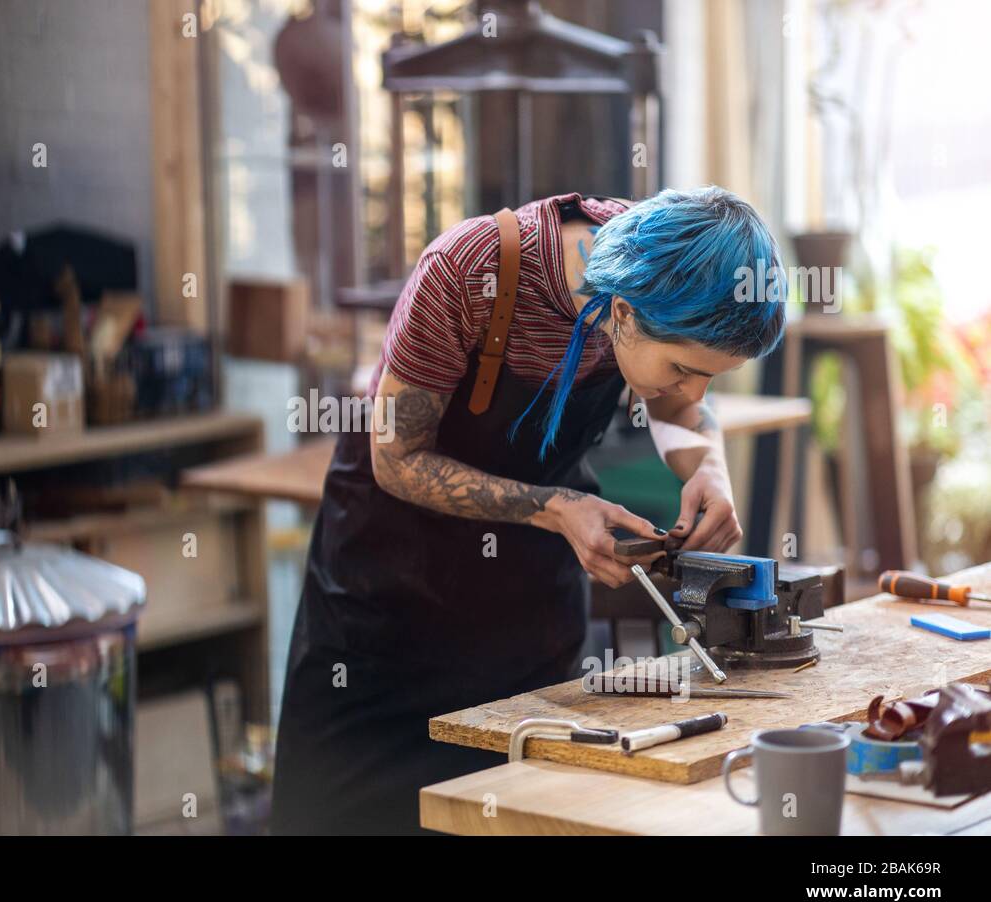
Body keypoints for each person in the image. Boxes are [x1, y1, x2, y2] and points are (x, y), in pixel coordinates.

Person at [270, 187, 786, 835]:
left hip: (523, 618)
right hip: (385, 615)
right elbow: (396, 458)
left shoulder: (659, 263)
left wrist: (708, 464)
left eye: (713, 378)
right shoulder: (465, 274)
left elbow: (680, 408)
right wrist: (557, 508)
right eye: (683, 369)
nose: (694, 393)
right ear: (621, 313)